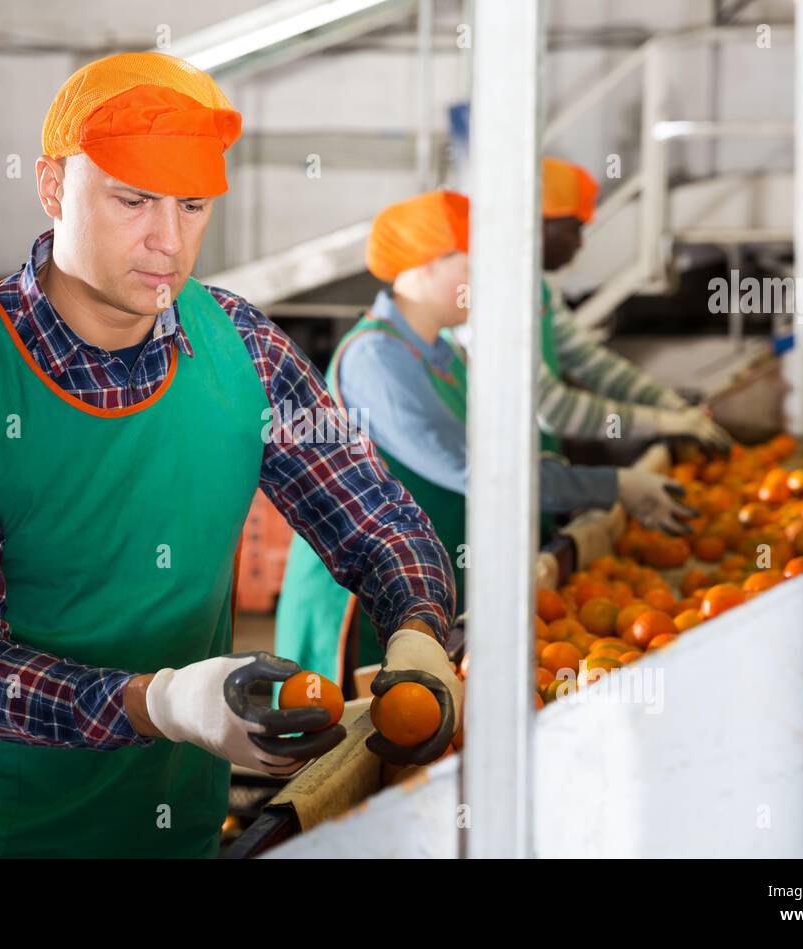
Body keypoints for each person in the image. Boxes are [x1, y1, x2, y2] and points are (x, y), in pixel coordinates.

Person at [0, 52, 462, 859]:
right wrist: (160, 702)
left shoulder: (243, 348)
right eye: (133, 200)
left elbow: (374, 517)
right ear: (53, 186)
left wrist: (416, 629)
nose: (167, 241)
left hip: (164, 816)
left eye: (193, 204)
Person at [275, 190, 697, 690]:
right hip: (364, 596)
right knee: (364, 735)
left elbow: (503, 457)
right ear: (427, 264)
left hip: (425, 583)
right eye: (474, 265)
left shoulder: (444, 354)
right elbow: (483, 473)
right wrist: (613, 486)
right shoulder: (377, 360)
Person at [535, 157, 733, 455]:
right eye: (574, 229)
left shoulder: (541, 290)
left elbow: (591, 362)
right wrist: (658, 423)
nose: (579, 244)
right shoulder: (497, 298)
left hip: (540, 469)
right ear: (541, 223)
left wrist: (672, 407)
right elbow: (554, 409)